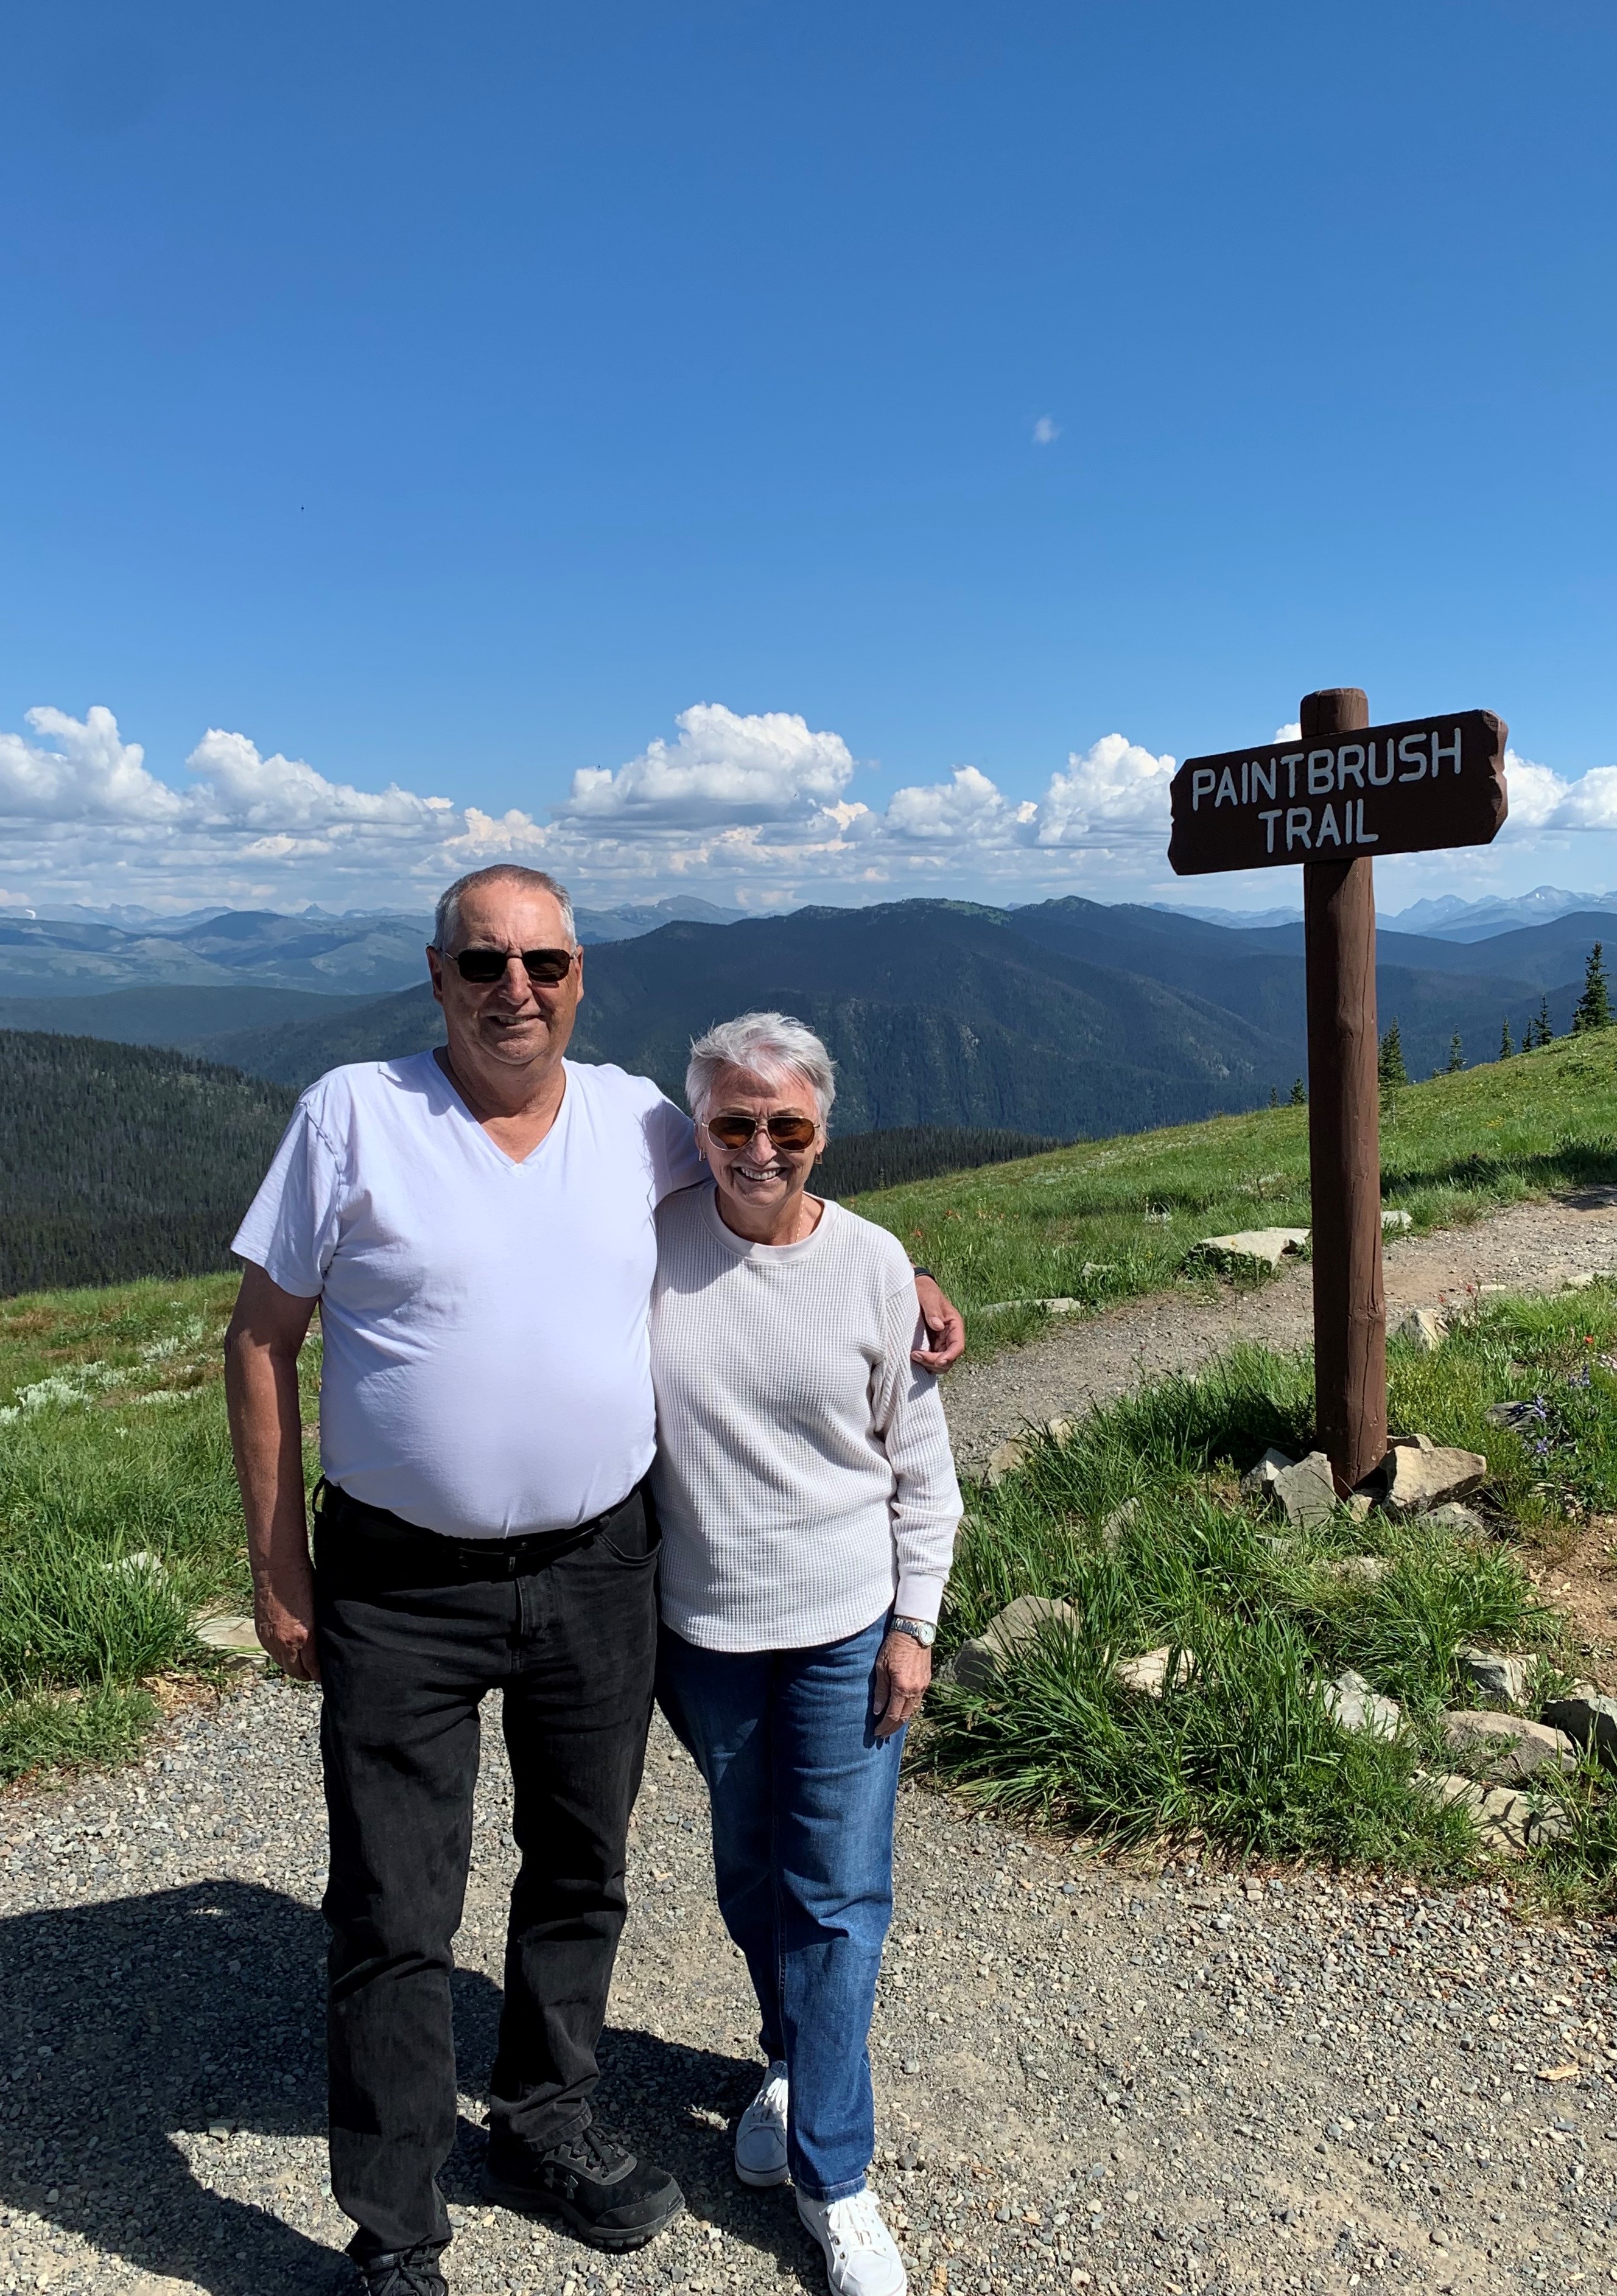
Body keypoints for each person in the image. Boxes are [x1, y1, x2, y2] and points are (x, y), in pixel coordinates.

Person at [223, 867, 966, 2296]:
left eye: (543, 963)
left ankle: (543, 2118)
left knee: (579, 1866)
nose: (515, 988)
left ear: (579, 976)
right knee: (394, 1900)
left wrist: (906, 1272)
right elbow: (258, 1338)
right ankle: (396, 2228)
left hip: (597, 1565)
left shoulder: (634, 1119)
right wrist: (280, 1569)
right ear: (436, 974)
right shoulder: (353, 1112)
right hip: (399, 1579)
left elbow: (770, 1166)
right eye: (483, 963)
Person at [648, 1012, 963, 2296]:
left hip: (845, 1629)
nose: (760, 1147)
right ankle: (787, 2057)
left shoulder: (874, 1263)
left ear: (824, 1132)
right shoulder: (649, 1243)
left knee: (836, 1892)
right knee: (749, 1870)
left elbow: (922, 1473)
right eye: (734, 1122)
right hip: (703, 1635)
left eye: (787, 1124)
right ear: (696, 1128)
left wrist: (914, 1626)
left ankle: (837, 2178)